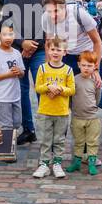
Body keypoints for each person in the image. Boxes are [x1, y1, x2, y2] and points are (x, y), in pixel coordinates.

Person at [0, 0, 50, 144]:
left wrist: (33, 44)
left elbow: (52, 22)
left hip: (40, 50)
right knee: (20, 91)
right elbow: (5, 24)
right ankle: (28, 129)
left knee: (42, 89)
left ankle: (47, 131)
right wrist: (22, 43)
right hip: (18, 50)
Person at [32, 36, 75, 179]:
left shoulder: (68, 70)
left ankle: (57, 163)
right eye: (52, 49)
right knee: (45, 138)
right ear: (48, 51)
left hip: (61, 112)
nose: (55, 52)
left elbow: (72, 90)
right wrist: (48, 87)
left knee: (59, 140)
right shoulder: (42, 68)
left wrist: (60, 89)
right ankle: (44, 164)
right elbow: (37, 88)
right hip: (45, 111)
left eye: (59, 50)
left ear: (65, 52)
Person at [40, 0, 101, 74]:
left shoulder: (78, 13)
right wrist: (48, 67)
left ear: (64, 7)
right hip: (65, 54)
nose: (53, 16)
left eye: (56, 11)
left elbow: (97, 42)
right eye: (49, 11)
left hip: (86, 55)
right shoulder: (46, 17)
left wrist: (95, 69)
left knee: (87, 86)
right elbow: (49, 42)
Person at [65, 50, 102, 175]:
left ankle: (92, 163)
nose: (86, 68)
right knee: (78, 141)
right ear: (79, 65)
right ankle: (76, 162)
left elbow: (97, 98)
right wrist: (73, 108)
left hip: (92, 117)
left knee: (92, 141)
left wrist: (93, 108)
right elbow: (70, 97)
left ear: (95, 66)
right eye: (84, 65)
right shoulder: (74, 80)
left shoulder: (95, 82)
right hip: (77, 117)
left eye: (90, 66)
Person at [0, 25, 26, 132]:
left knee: (17, 123)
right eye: (4, 35)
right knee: (7, 126)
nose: (8, 38)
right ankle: (7, 146)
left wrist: (20, 72)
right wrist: (8, 75)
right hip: (2, 97)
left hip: (15, 96)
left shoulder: (17, 53)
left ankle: (10, 142)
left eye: (11, 34)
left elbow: (22, 73)